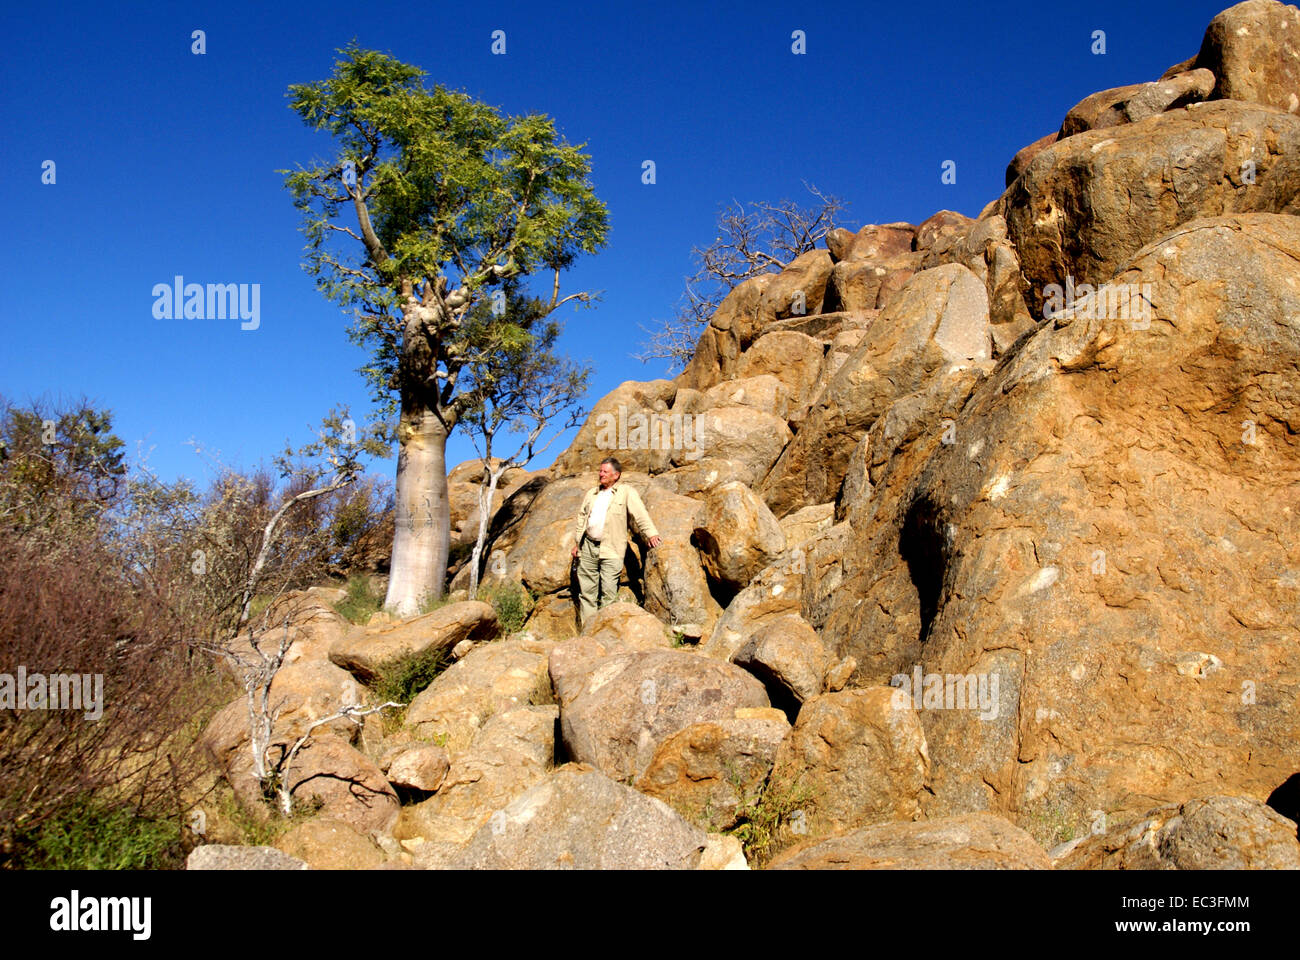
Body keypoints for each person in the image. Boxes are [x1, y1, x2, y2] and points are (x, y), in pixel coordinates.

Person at [570, 457, 661, 628]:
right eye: (600, 471)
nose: (601, 474)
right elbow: (582, 518)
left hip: (612, 548)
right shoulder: (592, 493)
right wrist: (577, 543)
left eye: (605, 471)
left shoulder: (626, 492)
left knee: (609, 593)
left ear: (616, 475)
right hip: (588, 546)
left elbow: (639, 514)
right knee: (587, 592)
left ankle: (604, 631)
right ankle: (588, 631)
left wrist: (651, 533)